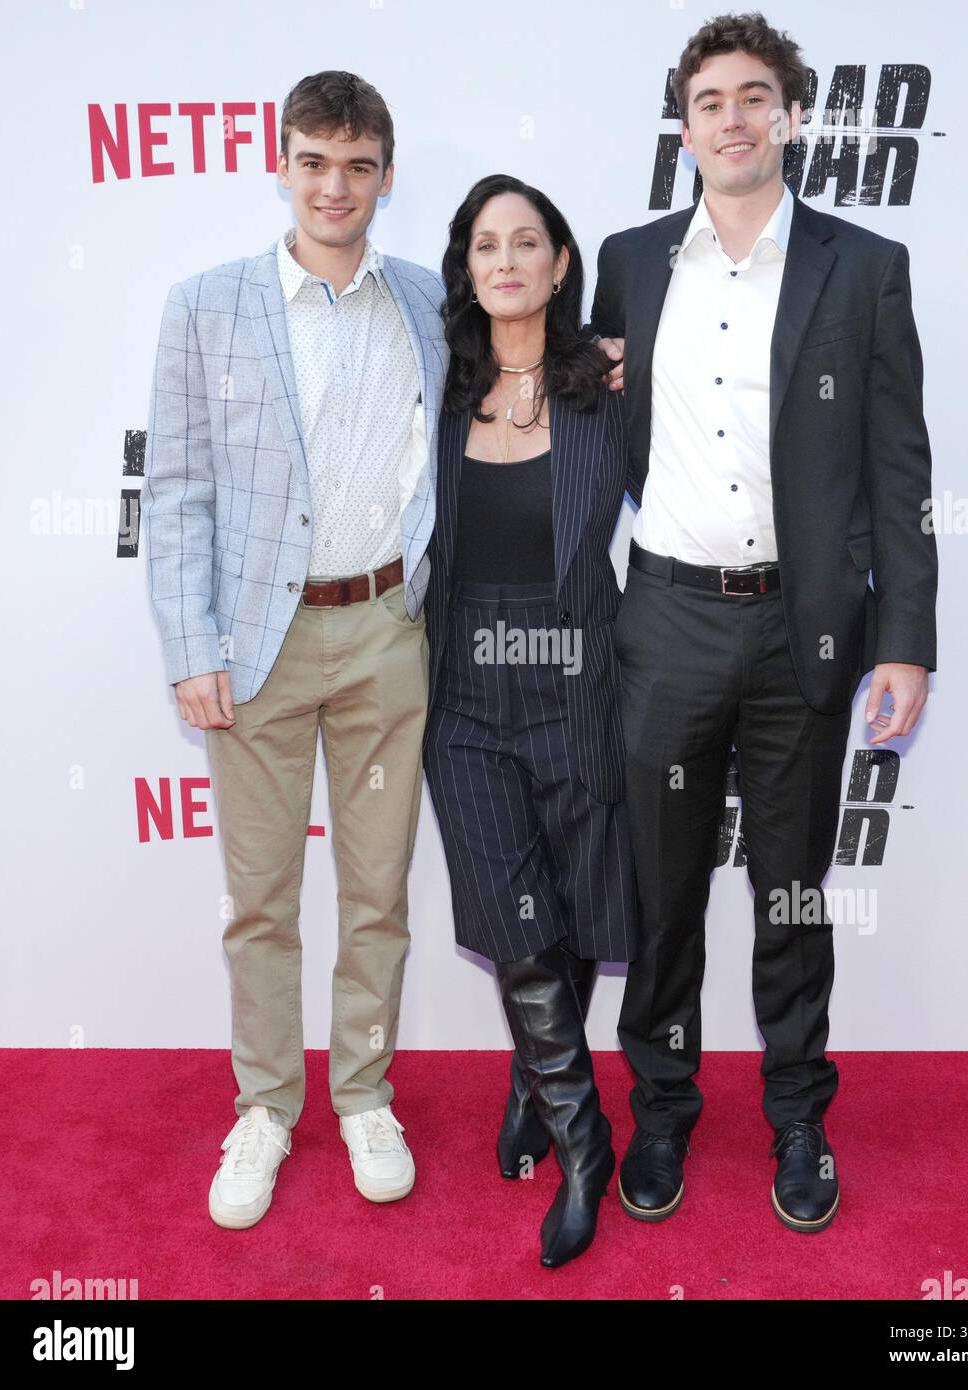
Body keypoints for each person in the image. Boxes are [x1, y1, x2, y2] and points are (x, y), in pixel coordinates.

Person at [589, 12, 938, 1231]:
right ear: (681, 127)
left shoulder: (861, 263)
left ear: (788, 114)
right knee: (662, 889)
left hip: (808, 630)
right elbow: (588, 430)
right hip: (669, 618)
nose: (729, 118)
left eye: (752, 97)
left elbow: (896, 469)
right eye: (707, 101)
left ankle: (797, 1113)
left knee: (791, 889)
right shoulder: (627, 265)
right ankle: (663, 1110)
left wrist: (904, 636)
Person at [143, 71, 448, 1228]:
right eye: (314, 161)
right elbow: (174, 490)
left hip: (386, 632)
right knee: (260, 899)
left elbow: (512, 396)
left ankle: (363, 1090)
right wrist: (190, 643)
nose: (335, 185)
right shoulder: (205, 305)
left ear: (382, 175)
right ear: (280, 165)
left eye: (358, 165)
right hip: (255, 641)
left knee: (377, 892)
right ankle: (267, 1105)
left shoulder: (425, 302)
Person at [423, 175, 639, 1267]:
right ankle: (583, 1136)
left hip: (571, 671)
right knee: (510, 911)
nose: (504, 260)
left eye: (526, 242)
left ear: (559, 261)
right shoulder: (436, 382)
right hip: (457, 685)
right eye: (483, 245)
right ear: (465, 269)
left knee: (561, 904)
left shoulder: (608, 384)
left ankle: (527, 1089)